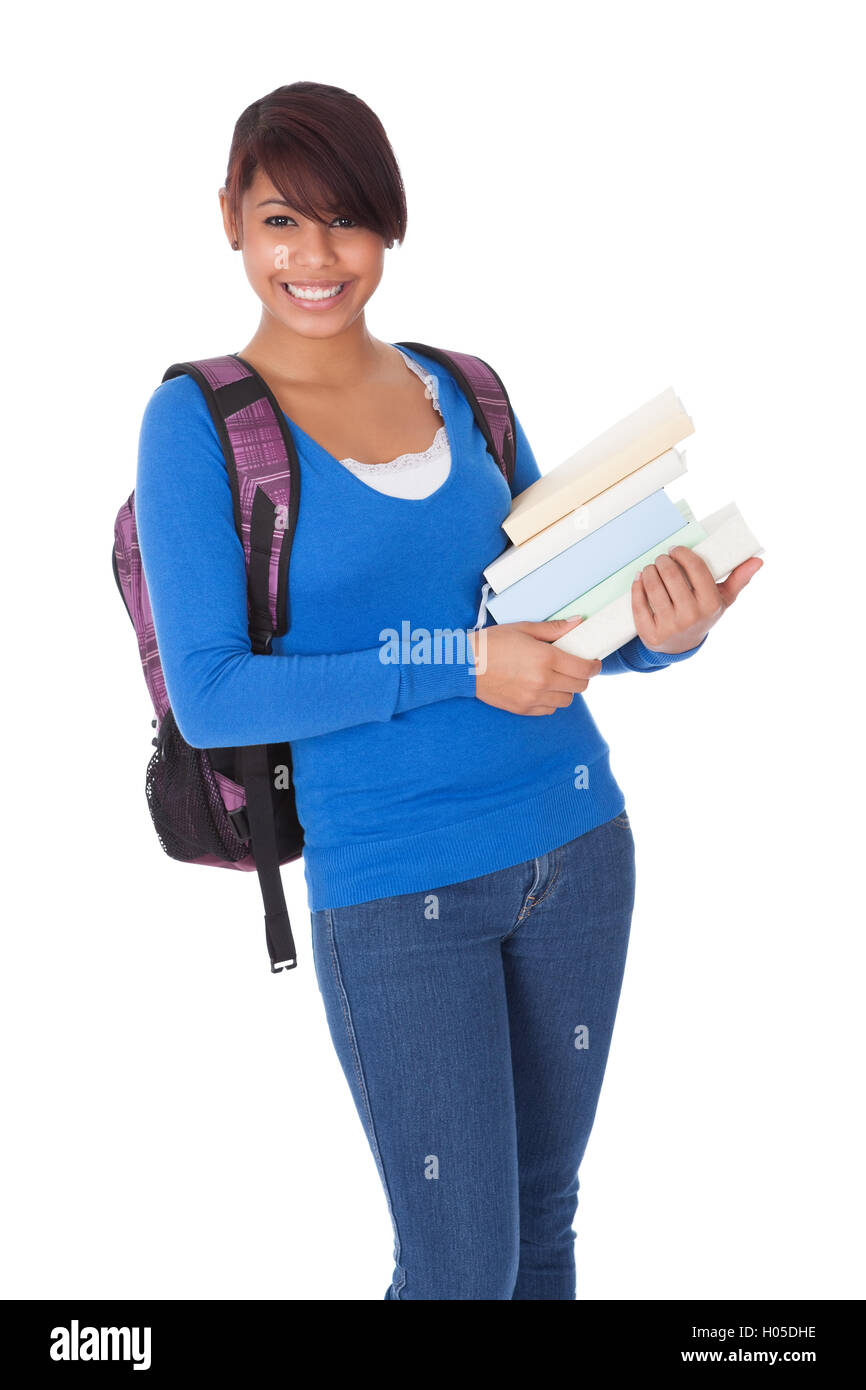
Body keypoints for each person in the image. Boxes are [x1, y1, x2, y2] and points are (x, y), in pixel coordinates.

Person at [135, 81, 762, 1300]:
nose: (316, 258)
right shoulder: (198, 422)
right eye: (280, 221)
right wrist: (462, 661)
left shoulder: (460, 386)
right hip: (398, 884)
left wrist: (662, 632)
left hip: (577, 847)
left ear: (388, 227)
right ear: (228, 219)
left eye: (347, 221)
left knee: (541, 1230)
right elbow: (212, 696)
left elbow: (551, 625)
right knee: (459, 1267)